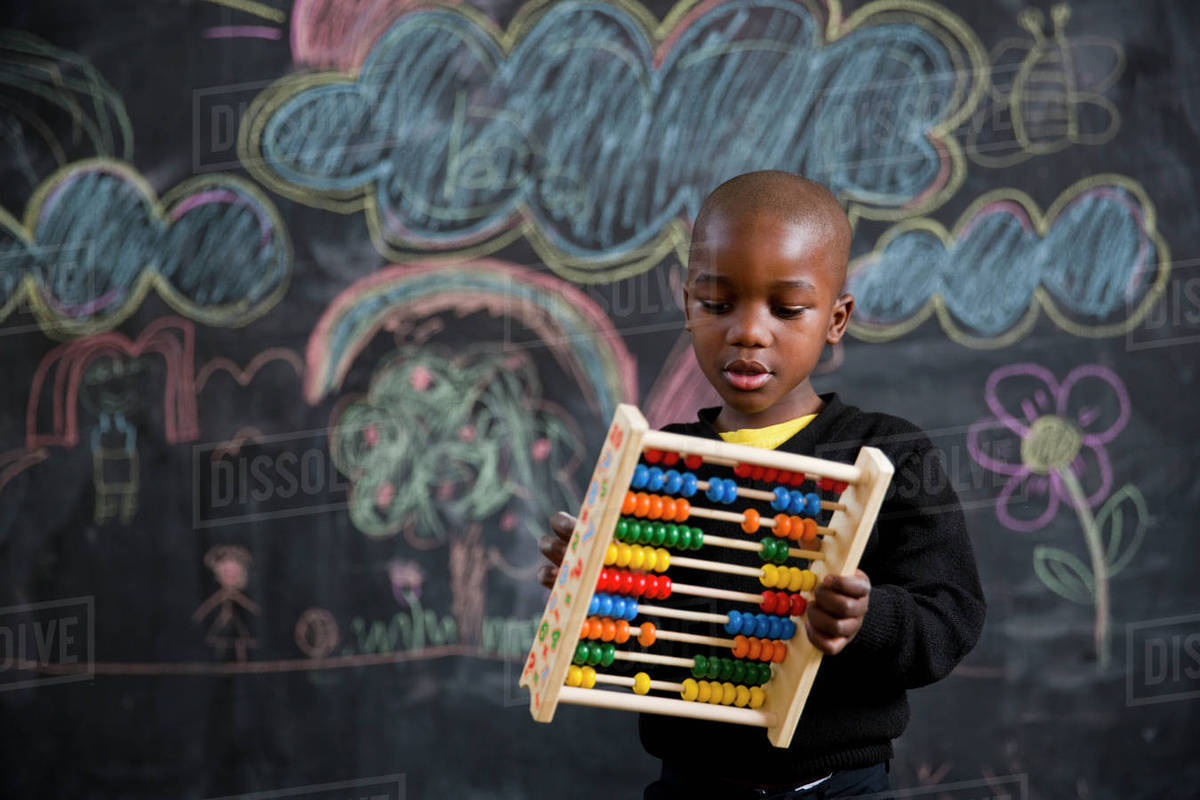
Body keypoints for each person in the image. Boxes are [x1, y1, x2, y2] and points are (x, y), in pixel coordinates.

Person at [538, 171, 986, 798]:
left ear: (836, 318)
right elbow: (644, 633)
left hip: (839, 785)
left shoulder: (888, 454)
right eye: (719, 305)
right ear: (687, 303)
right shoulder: (662, 464)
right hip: (692, 783)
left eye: (786, 308)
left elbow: (950, 618)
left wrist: (867, 619)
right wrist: (588, 586)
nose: (749, 331)